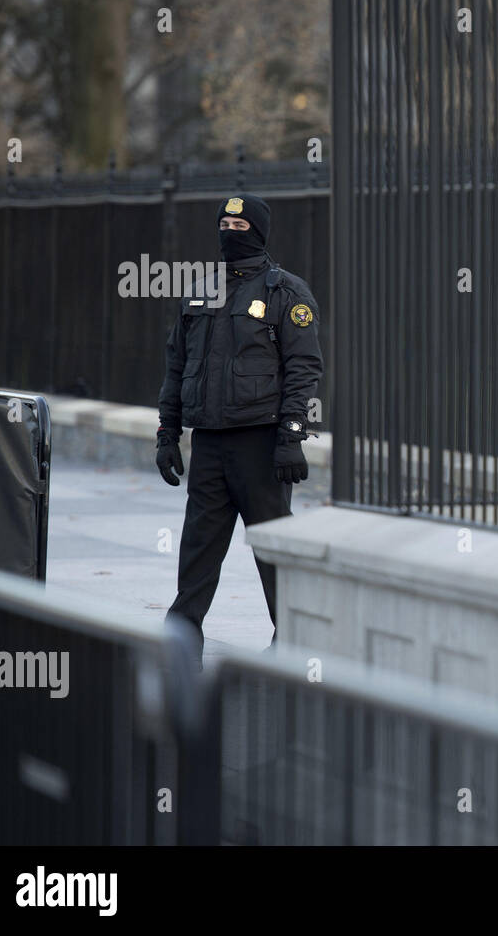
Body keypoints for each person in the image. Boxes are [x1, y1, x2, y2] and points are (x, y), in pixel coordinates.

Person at [155, 193, 323, 660]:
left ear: (259, 230)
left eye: (239, 224)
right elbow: (176, 366)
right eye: (224, 223)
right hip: (209, 443)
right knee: (198, 551)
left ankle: (292, 640)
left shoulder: (285, 291)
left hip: (261, 442)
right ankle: (181, 640)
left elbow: (304, 367)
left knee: (271, 549)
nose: (230, 231)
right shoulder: (198, 289)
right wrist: (168, 434)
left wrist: (292, 436)